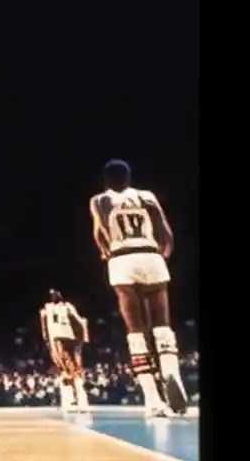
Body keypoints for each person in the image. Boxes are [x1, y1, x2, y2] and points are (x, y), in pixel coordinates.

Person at [89, 159, 187, 416]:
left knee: (136, 330)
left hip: (122, 259)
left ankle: (152, 399)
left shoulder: (99, 201)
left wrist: (105, 252)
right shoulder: (146, 196)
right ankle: (170, 372)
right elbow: (165, 229)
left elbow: (99, 233)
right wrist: (163, 253)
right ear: (129, 177)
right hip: (149, 255)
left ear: (105, 180)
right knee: (162, 325)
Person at [39, 289, 90, 413]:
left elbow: (80, 320)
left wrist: (84, 335)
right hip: (55, 338)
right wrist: (46, 337)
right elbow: (44, 324)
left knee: (73, 369)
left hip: (66, 337)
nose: (54, 297)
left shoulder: (66, 306)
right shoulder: (47, 308)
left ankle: (81, 399)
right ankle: (69, 399)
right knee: (63, 370)